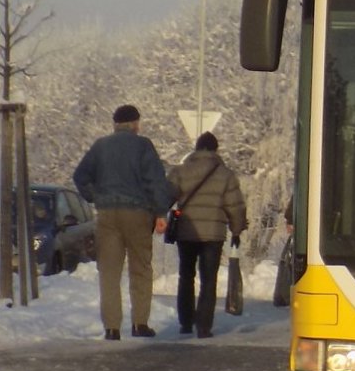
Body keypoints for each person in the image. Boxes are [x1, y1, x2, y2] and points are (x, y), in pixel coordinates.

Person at [73, 104, 172, 340]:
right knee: (140, 269)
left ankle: (112, 328)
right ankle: (140, 323)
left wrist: (95, 196)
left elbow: (80, 176)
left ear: (115, 124)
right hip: (137, 214)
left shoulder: (101, 146)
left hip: (107, 214)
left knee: (109, 272)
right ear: (135, 123)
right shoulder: (143, 145)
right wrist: (161, 212)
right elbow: (156, 181)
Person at [166, 131, 248, 338]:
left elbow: (166, 197)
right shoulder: (226, 175)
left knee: (186, 276)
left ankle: (185, 322)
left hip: (187, 231)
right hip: (213, 234)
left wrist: (157, 216)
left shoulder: (180, 171)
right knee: (209, 279)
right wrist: (236, 229)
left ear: (196, 149)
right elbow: (235, 205)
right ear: (215, 150)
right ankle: (204, 326)